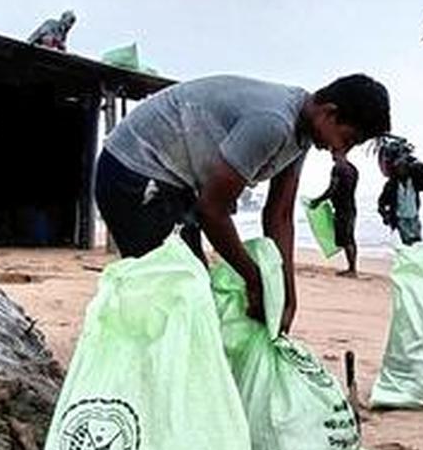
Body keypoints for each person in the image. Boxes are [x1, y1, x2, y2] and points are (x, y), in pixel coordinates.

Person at [95, 74, 390, 334]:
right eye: (347, 139)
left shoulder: (302, 135)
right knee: (174, 291)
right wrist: (253, 279)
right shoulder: (273, 123)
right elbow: (212, 210)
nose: (341, 150)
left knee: (194, 289)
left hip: (176, 183)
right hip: (133, 168)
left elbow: (280, 215)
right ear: (329, 113)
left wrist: (287, 294)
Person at [308, 150, 360, 276]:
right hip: (351, 207)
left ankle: (352, 270)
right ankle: (352, 268)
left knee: (347, 239)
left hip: (342, 209)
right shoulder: (353, 169)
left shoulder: (338, 168)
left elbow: (332, 189)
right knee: (350, 237)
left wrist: (318, 201)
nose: (332, 155)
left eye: (334, 152)